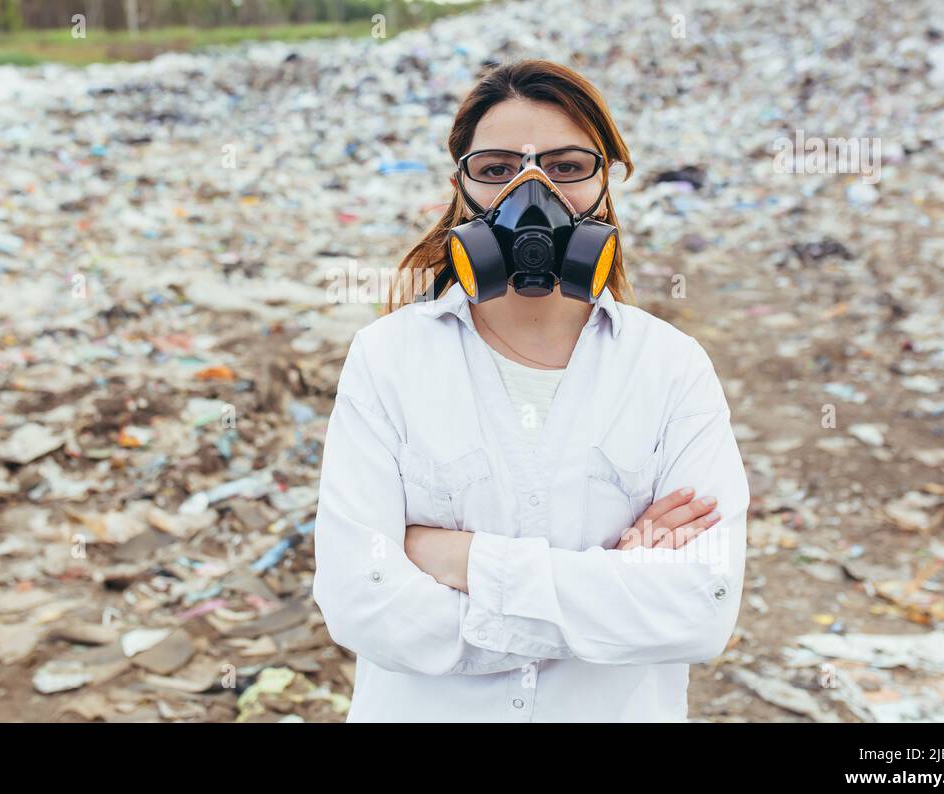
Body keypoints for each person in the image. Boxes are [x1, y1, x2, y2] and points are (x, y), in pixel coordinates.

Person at [311, 59, 750, 722]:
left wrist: (456, 559)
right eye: (495, 170)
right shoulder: (388, 359)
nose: (531, 192)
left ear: (607, 182)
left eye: (567, 166)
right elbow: (361, 604)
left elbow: (699, 612)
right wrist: (615, 593)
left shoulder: (669, 368)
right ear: (461, 188)